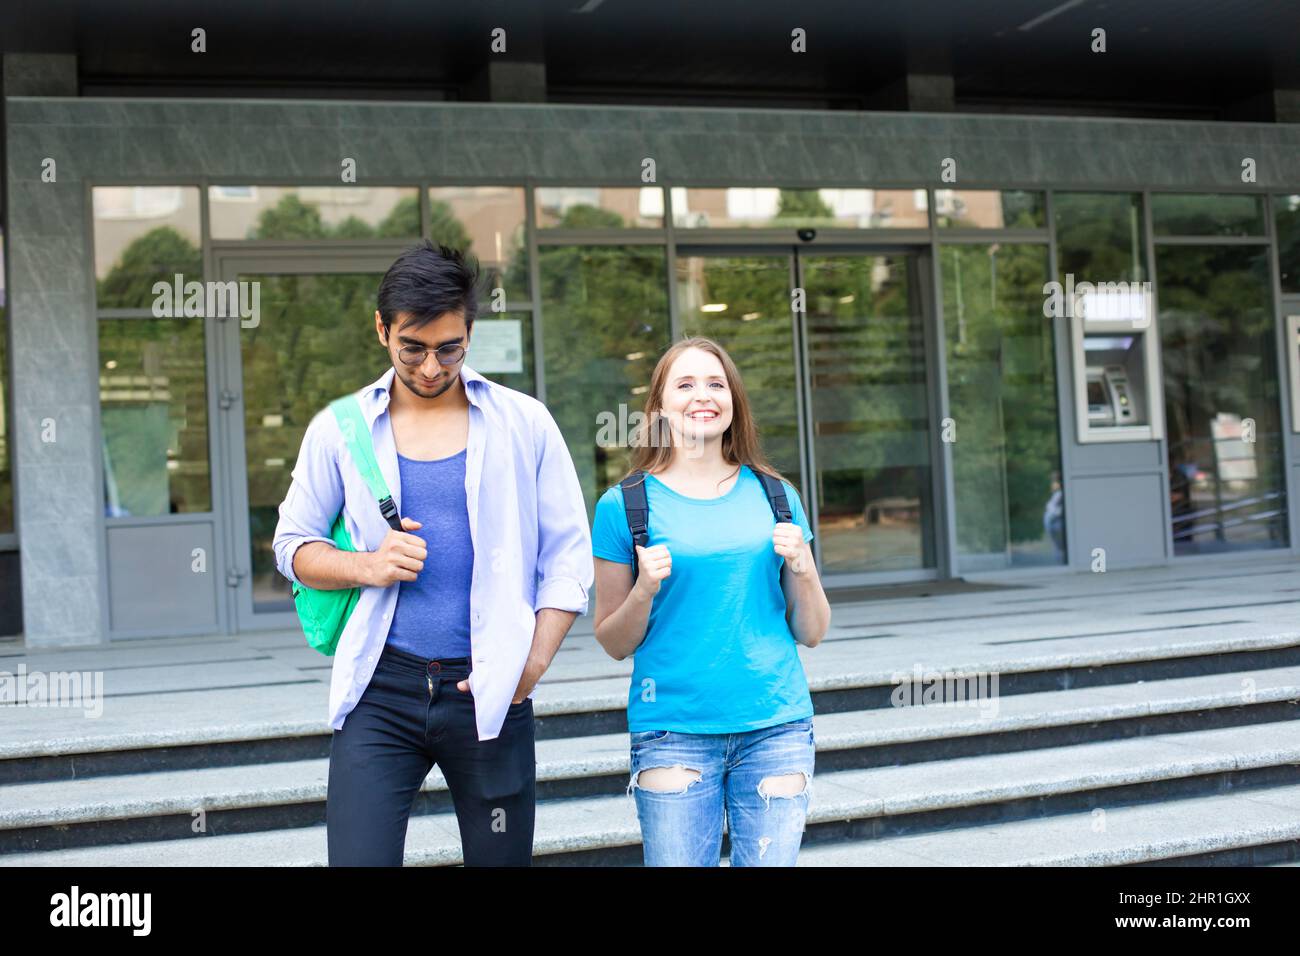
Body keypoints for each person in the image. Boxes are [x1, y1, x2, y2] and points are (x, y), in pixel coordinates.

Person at [272, 240, 593, 866]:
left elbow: (567, 562)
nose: (429, 367)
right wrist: (365, 565)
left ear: (470, 332)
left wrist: (531, 665)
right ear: (381, 330)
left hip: (490, 688)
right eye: (411, 348)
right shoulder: (340, 428)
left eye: (449, 348)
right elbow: (292, 546)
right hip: (381, 688)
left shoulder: (524, 423)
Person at [590, 337, 831, 866]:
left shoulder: (777, 496)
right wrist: (644, 590)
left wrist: (804, 567)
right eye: (685, 384)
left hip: (776, 724)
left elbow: (811, 631)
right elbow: (611, 640)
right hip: (673, 730)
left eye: (716, 383)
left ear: (733, 402)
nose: (703, 395)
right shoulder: (624, 507)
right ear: (658, 407)